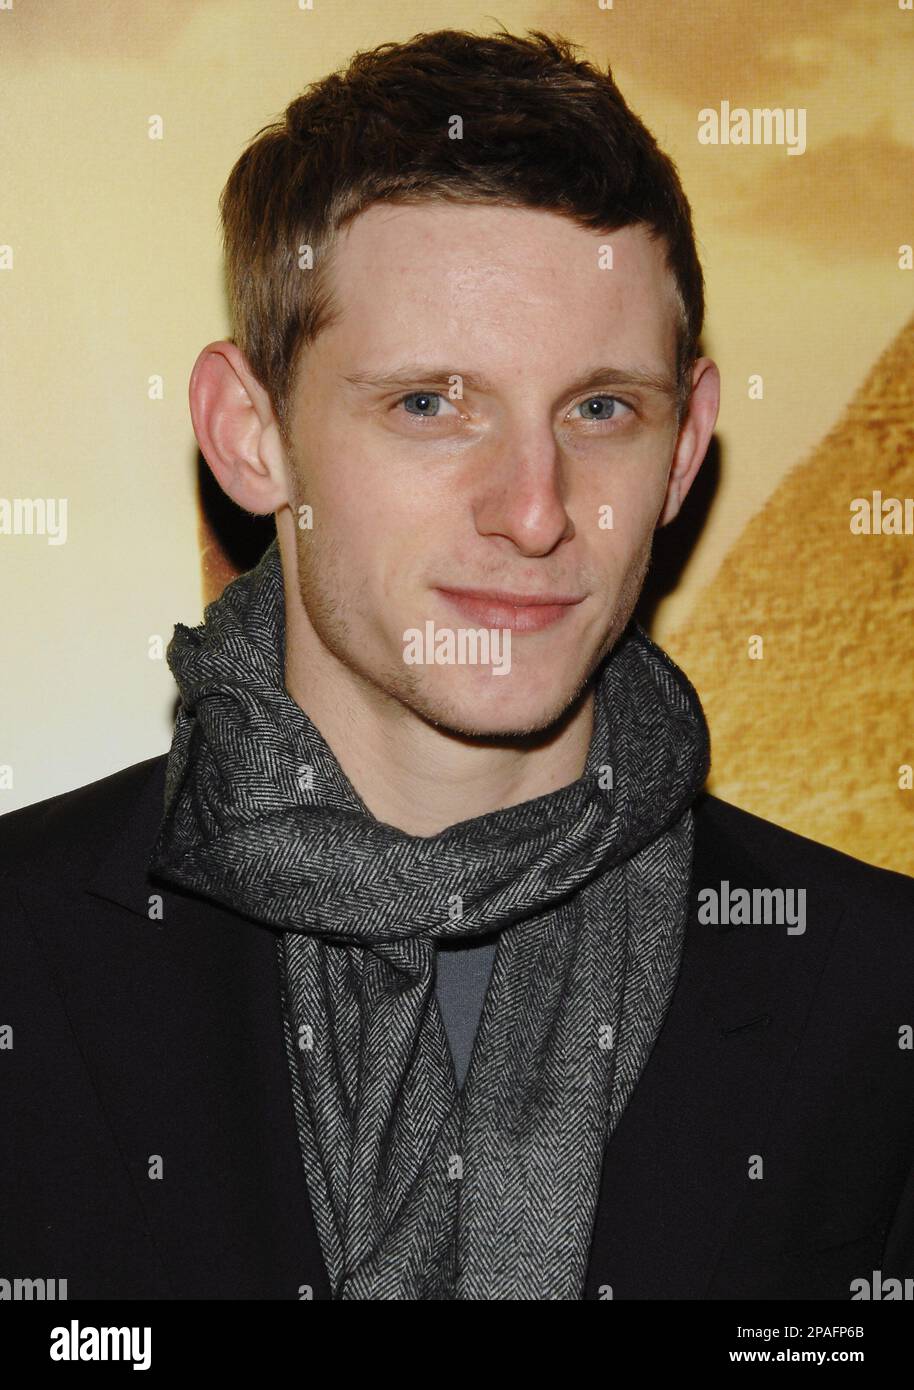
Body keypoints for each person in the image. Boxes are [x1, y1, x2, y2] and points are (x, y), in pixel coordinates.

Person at [3, 27, 913, 1302]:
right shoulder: (19, 952)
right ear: (250, 435)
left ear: (684, 444)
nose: (534, 511)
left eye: (600, 408)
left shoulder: (879, 995)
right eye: (429, 403)